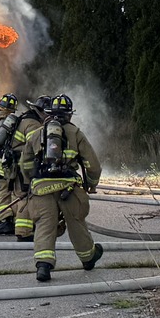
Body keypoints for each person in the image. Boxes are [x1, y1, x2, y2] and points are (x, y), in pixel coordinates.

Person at [20, 94, 104, 282]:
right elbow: (93, 166)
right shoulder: (75, 133)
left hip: (41, 190)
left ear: (49, 113)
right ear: (69, 115)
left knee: (44, 225)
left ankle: (43, 266)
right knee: (76, 222)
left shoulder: (36, 135)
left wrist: (30, 182)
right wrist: (91, 184)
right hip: (69, 189)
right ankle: (88, 258)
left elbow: (24, 164)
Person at [0, 93, 34, 236]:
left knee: (1, 193)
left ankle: (4, 223)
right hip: (14, 165)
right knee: (17, 194)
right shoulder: (17, 123)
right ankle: (19, 223)